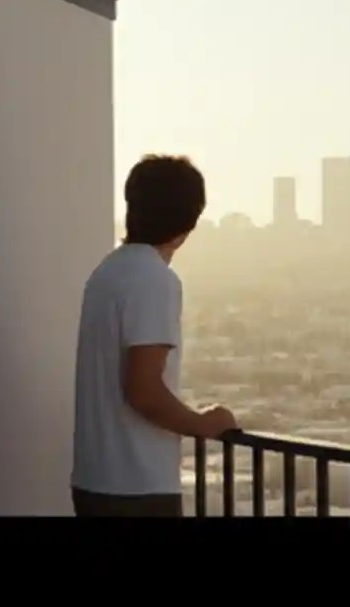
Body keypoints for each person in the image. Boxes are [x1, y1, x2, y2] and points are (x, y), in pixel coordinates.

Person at [71, 154, 238, 517]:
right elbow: (142, 389)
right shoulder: (154, 280)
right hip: (137, 486)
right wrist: (204, 424)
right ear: (187, 226)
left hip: (94, 480)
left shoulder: (107, 272)